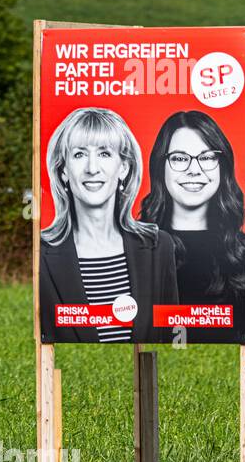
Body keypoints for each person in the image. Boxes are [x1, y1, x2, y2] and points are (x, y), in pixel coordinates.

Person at [39, 108, 178, 344]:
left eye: (104, 153)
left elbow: (171, 337)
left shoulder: (158, 246)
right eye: (79, 154)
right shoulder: (40, 252)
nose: (92, 168)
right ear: (63, 170)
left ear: (123, 167)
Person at [140, 110, 245, 343]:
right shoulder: (133, 248)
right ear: (161, 167)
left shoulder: (244, 252)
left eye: (207, 157)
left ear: (222, 166)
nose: (194, 169)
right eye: (180, 158)